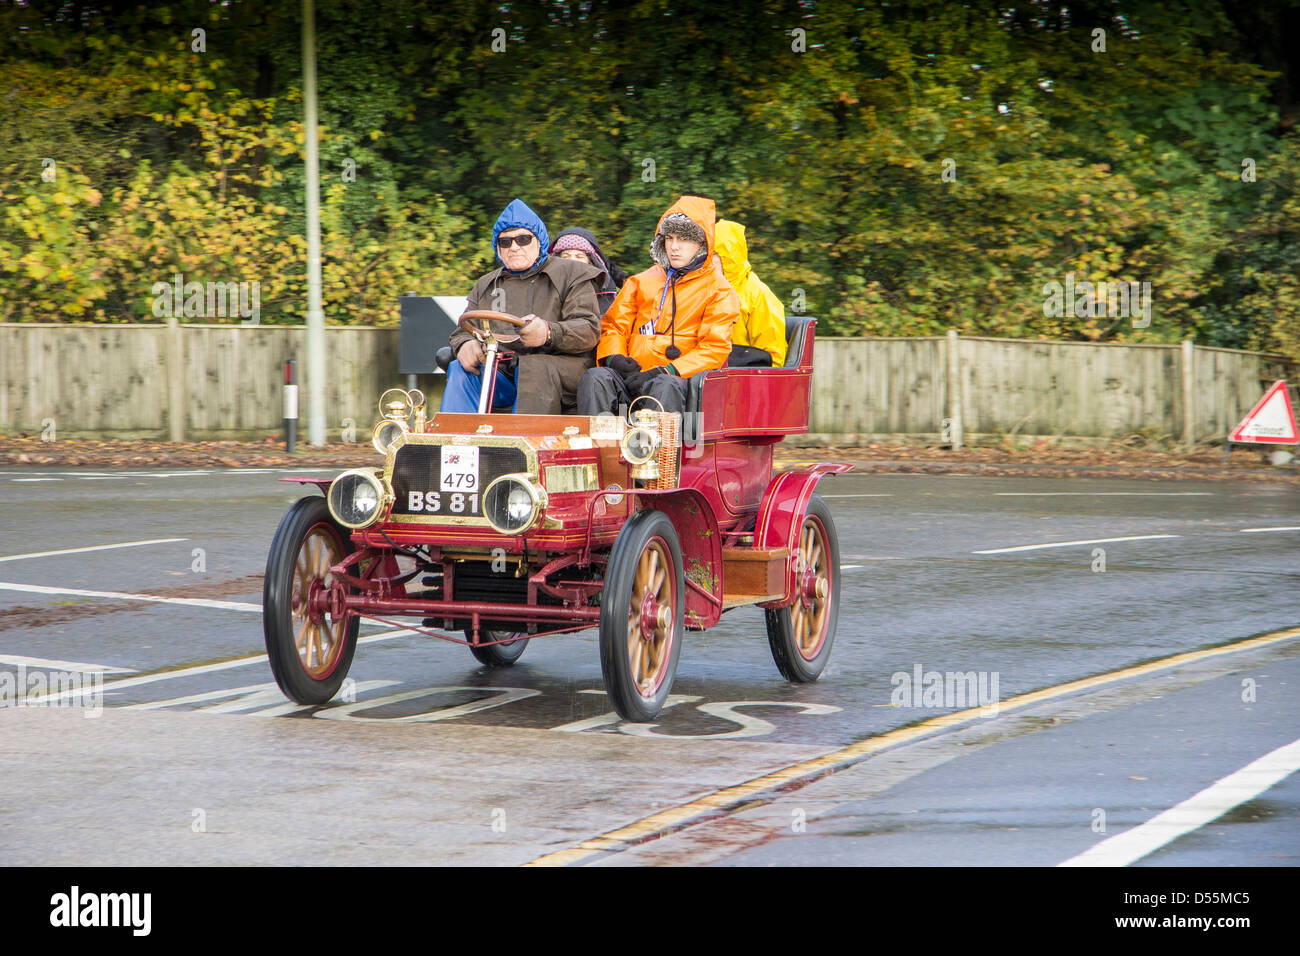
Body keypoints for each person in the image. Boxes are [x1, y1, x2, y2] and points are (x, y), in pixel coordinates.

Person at [578, 196, 739, 417]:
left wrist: (668, 370)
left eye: (683, 239)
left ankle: (653, 451)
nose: (674, 247)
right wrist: (615, 358)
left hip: (681, 381)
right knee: (596, 377)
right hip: (632, 375)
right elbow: (614, 327)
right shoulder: (640, 281)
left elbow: (714, 348)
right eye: (669, 238)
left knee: (664, 385)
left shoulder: (720, 290)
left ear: (702, 243)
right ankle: (599, 448)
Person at [442, 199, 603, 415]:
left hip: (563, 371)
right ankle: (457, 441)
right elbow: (462, 330)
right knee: (461, 369)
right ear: (497, 249)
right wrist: (464, 344)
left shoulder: (572, 273)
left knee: (533, 368)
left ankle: (521, 446)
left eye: (523, 239)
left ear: (539, 241)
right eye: (505, 242)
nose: (514, 247)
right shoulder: (486, 284)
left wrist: (548, 332)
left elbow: (588, 329)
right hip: (503, 369)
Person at [714, 219, 787, 367]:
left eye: (712, 255)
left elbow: (773, 361)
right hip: (712, 374)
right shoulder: (707, 292)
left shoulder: (758, 295)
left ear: (729, 258)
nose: (704, 262)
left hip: (745, 379)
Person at [548, 228, 627, 318]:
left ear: (590, 261)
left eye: (579, 256)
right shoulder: (545, 287)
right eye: (566, 256)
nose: (572, 261)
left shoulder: (606, 292)